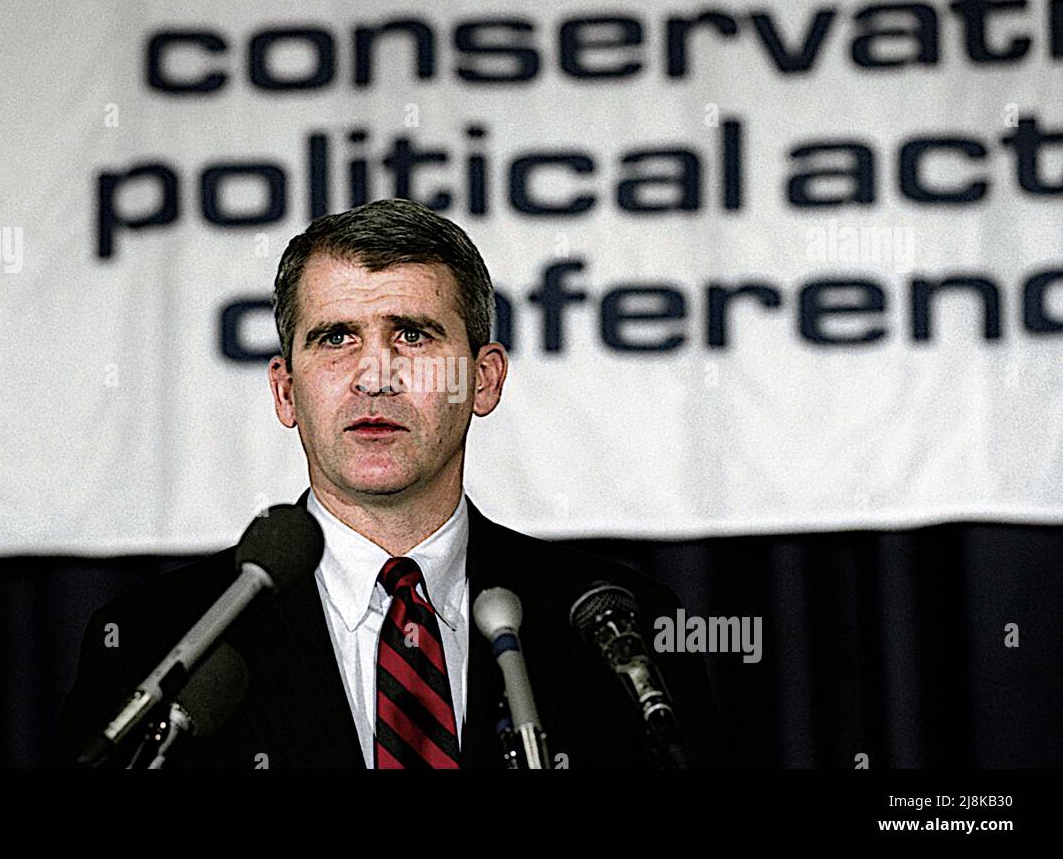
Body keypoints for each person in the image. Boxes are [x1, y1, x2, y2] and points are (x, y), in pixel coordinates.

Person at [56, 198, 727, 768]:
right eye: (335, 338)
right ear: (286, 393)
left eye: (411, 334)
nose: (374, 375)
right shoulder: (156, 644)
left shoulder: (621, 631)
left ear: (483, 380)